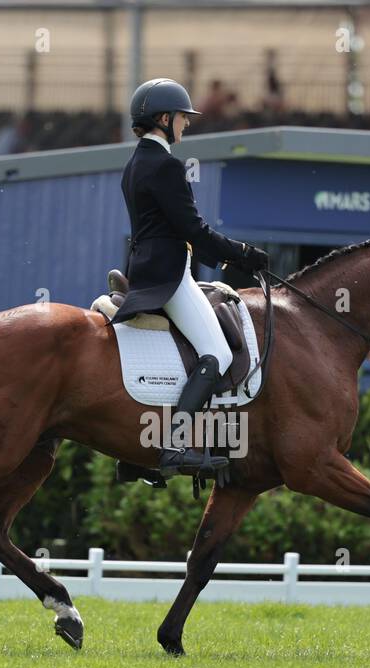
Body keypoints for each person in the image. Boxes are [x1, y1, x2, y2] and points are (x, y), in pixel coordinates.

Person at [113, 78, 269, 478]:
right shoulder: (165, 165)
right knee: (216, 354)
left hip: (149, 266)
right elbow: (194, 230)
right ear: (164, 119)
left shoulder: (135, 163)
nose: (186, 125)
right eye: (182, 118)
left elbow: (178, 230)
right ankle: (174, 445)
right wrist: (245, 254)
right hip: (167, 275)